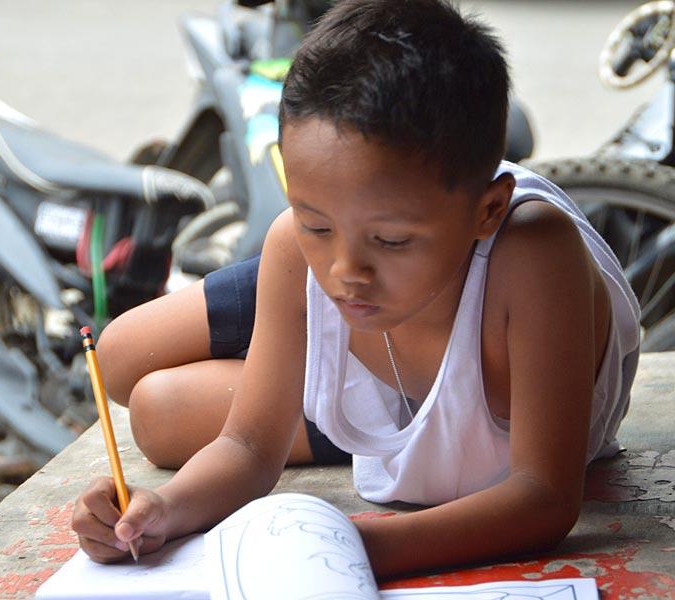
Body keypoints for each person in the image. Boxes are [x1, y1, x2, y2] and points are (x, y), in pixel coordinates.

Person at [72, 0, 640, 577]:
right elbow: (247, 446)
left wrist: (340, 549)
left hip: (461, 305)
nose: (346, 270)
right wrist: (159, 513)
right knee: (120, 355)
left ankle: (352, 397)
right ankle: (334, 342)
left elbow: (544, 497)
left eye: (391, 240)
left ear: (487, 210)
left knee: (159, 412)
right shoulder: (307, 252)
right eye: (314, 222)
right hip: (391, 314)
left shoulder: (535, 256)